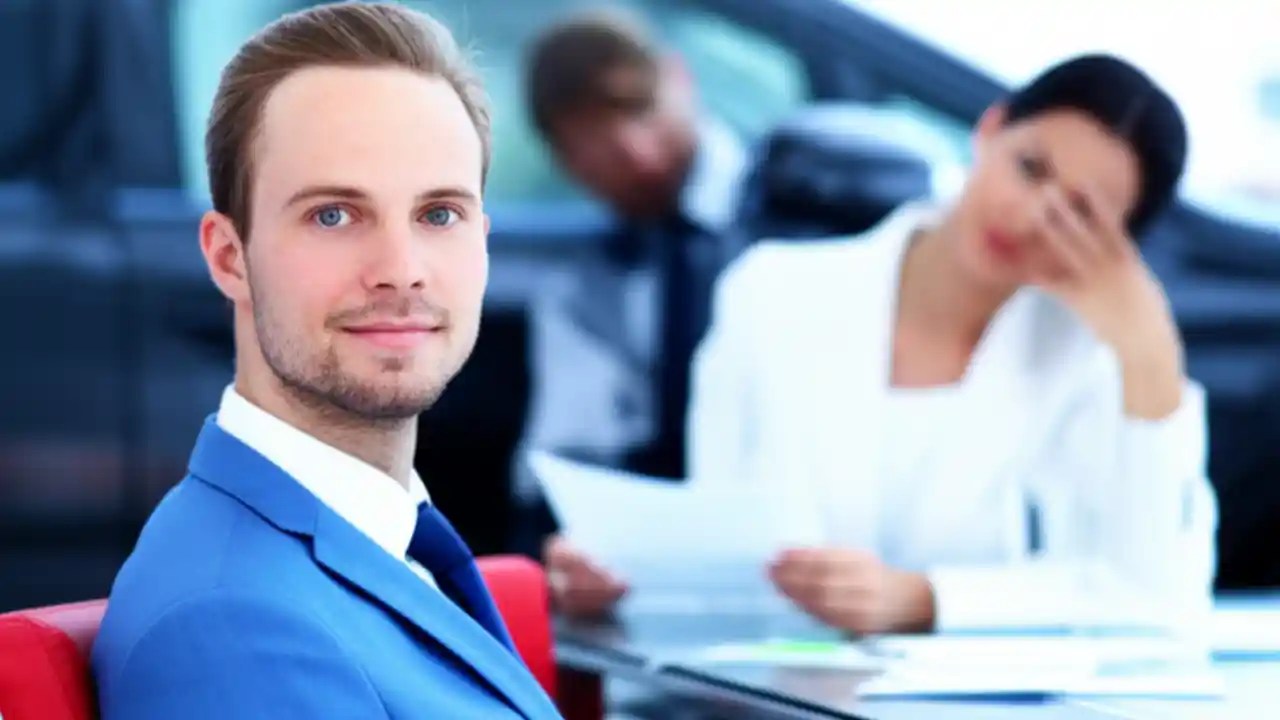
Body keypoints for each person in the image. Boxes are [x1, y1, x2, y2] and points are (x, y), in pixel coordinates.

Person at [556, 54, 1220, 632]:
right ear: (989, 129)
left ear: (1119, 246)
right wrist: (625, 578)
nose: (1028, 215)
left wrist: (930, 601)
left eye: (1080, 213)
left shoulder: (1092, 359)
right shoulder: (772, 293)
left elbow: (1158, 598)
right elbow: (730, 551)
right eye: (1029, 168)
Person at [92, 4, 562, 718]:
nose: (401, 271)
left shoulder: (385, 539)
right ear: (228, 257)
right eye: (334, 215)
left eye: (439, 215)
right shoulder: (230, 634)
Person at [512, 13, 750, 573]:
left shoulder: (810, 214)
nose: (641, 156)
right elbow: (566, 460)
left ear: (678, 77)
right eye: (595, 146)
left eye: (642, 113)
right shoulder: (590, 290)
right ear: (563, 161)